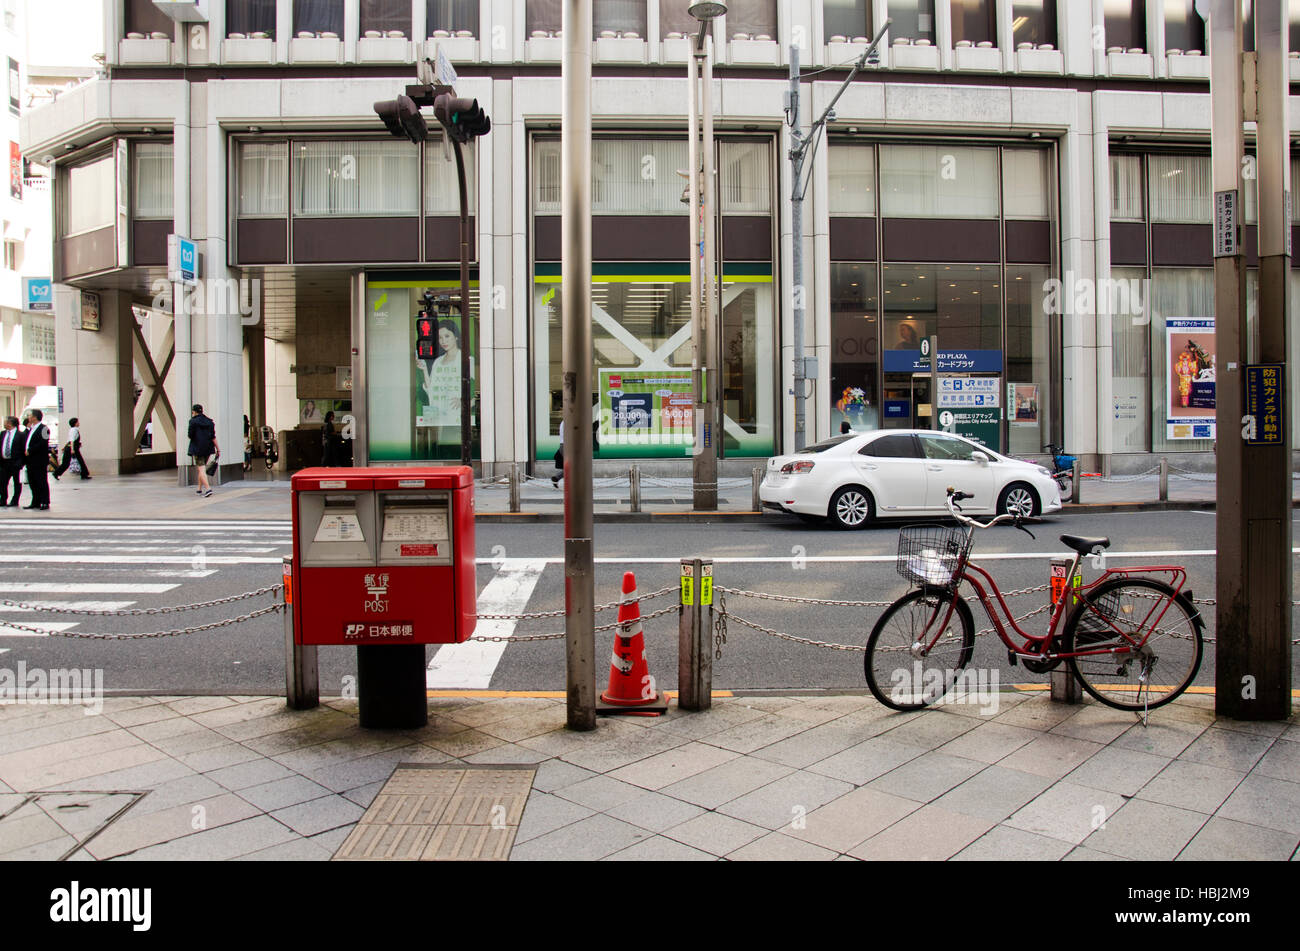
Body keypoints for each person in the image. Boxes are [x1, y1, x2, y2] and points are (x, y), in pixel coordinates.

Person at [21, 409, 51, 510]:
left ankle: (45, 501)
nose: (28, 417)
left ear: (35, 417)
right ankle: (36, 501)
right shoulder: (31, 428)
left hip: (39, 460)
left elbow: (43, 443)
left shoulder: (44, 428)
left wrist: (30, 450)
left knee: (41, 481)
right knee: (32, 481)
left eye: (30, 415)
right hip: (30, 460)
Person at [187, 404, 219, 498]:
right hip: (208, 448)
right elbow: (213, 437)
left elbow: (190, 435)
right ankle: (199, 489)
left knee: (201, 469)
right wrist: (218, 449)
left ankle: (208, 489)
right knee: (202, 469)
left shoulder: (193, 421)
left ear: (194, 412)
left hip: (197, 448)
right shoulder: (209, 422)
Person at [1, 416, 22, 506]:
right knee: (2, 482)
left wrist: (20, 462)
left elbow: (22, 449)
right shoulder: (3, 433)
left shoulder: (20, 435)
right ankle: (3, 499)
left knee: (17, 482)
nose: (4, 423)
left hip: (15, 463)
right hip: (4, 462)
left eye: (5, 422)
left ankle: (15, 500)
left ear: (10, 423)